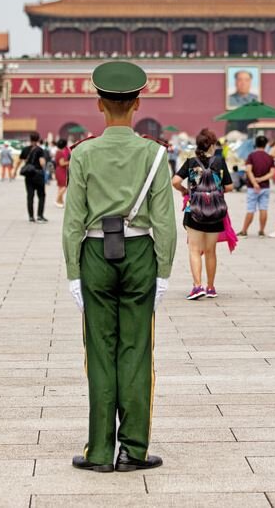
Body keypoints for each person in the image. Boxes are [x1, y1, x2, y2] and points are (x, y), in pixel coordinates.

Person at [61, 60, 176, 473]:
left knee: (99, 351)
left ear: (99, 104)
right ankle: (134, 450)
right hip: (141, 252)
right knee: (136, 349)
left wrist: (73, 274)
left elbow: (73, 218)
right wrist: (164, 272)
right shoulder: (155, 154)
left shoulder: (83, 153)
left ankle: (98, 451)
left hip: (94, 253)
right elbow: (164, 219)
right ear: (138, 103)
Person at [173, 128, 233, 300]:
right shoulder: (220, 162)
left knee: (194, 249)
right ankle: (211, 287)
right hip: (215, 213)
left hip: (194, 211)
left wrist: (185, 191)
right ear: (213, 145)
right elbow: (229, 187)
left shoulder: (191, 162)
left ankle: (197, 286)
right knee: (211, 251)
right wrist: (215, 192)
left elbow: (175, 181)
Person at [238, 136, 275, 238]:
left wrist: (254, 182)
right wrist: (262, 179)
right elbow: (272, 173)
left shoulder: (251, 156)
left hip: (252, 187)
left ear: (256, 143)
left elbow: (248, 170)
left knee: (250, 209)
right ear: (266, 144)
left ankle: (244, 230)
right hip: (265, 187)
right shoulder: (269, 157)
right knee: (263, 209)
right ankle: (261, 231)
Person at [16, 132, 48, 223]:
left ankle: (31, 216)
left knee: (30, 196)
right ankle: (40, 215)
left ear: (30, 139)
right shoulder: (40, 150)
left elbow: (19, 161)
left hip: (28, 175)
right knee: (41, 195)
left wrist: (14, 171)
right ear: (38, 139)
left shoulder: (25, 149)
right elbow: (42, 163)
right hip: (38, 175)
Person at [54, 138, 71, 208]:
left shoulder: (57, 152)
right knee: (65, 186)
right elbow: (62, 163)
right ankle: (57, 199)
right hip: (61, 170)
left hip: (59, 170)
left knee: (60, 186)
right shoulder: (60, 153)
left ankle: (61, 201)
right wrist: (70, 162)